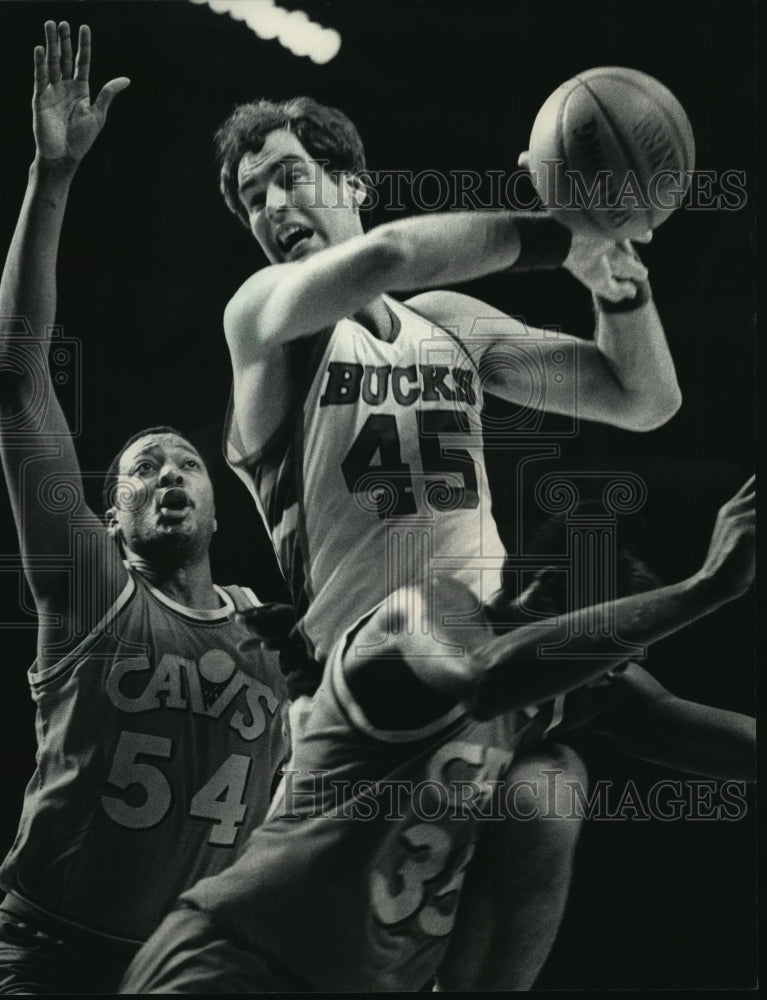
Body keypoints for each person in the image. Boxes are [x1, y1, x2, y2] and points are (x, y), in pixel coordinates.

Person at [119, 478, 754, 993]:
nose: (616, 671)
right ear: (545, 591)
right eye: (612, 642)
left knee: (552, 780)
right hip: (238, 961)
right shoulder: (426, 612)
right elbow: (486, 679)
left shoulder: (578, 697)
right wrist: (705, 589)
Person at [0, 22, 287, 994]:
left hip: (189, 972)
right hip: (48, 951)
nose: (168, 473)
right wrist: (52, 174)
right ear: (109, 522)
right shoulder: (89, 590)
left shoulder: (277, 636)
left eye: (184, 465)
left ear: (215, 507)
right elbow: (14, 373)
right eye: (139, 468)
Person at [215, 96, 682, 673]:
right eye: (254, 200)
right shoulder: (261, 317)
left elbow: (644, 398)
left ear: (354, 186)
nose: (273, 208)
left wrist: (619, 281)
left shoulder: (447, 323)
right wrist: (563, 239)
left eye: (291, 178)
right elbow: (391, 254)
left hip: (487, 667)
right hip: (362, 688)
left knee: (576, 752)